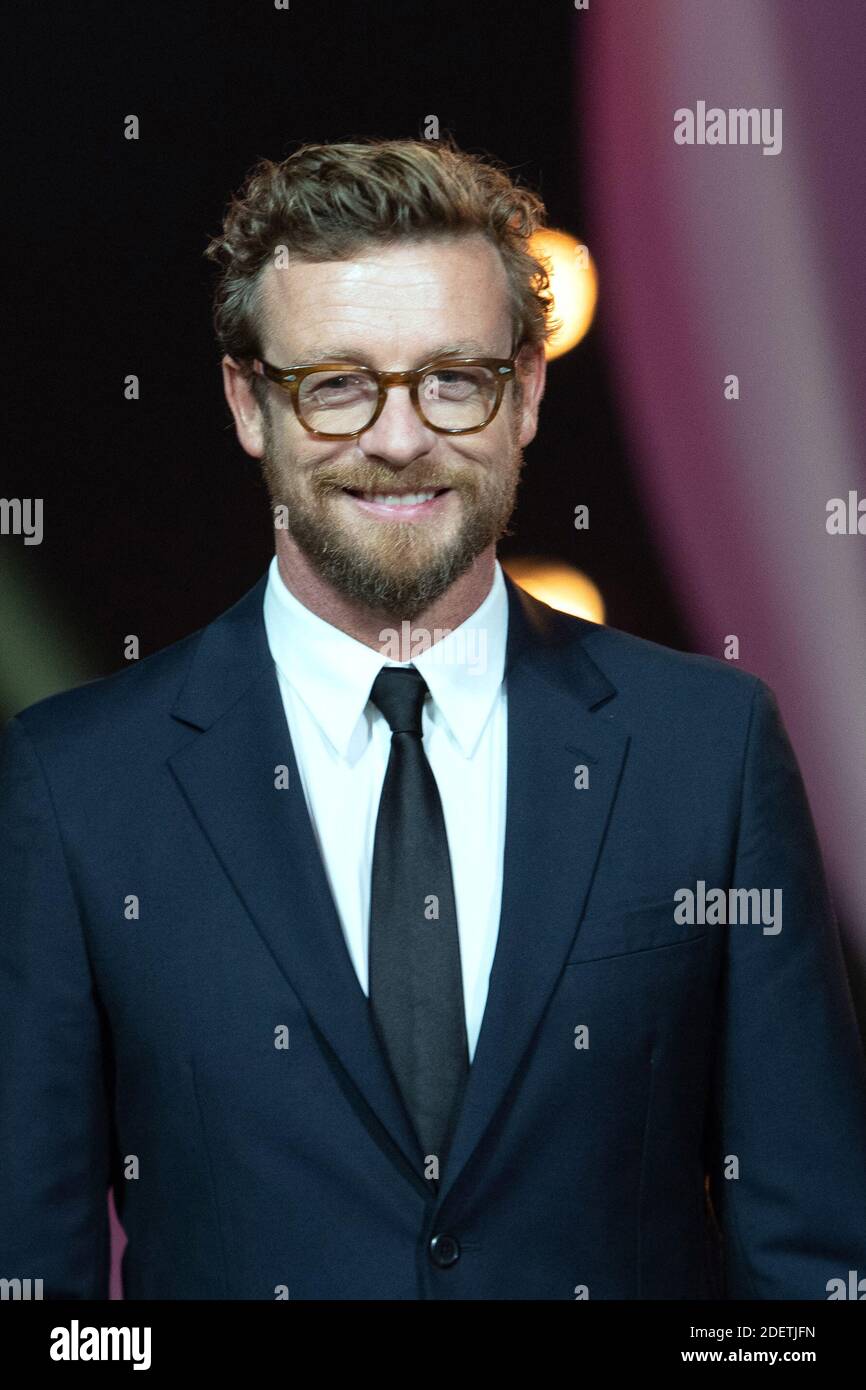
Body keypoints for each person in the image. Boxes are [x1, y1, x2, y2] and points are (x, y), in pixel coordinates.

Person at [1, 137, 865, 1301]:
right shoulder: (76, 786)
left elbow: (808, 1258)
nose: (399, 437)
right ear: (248, 402)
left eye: (453, 379)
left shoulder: (704, 749)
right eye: (337, 384)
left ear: (528, 392)